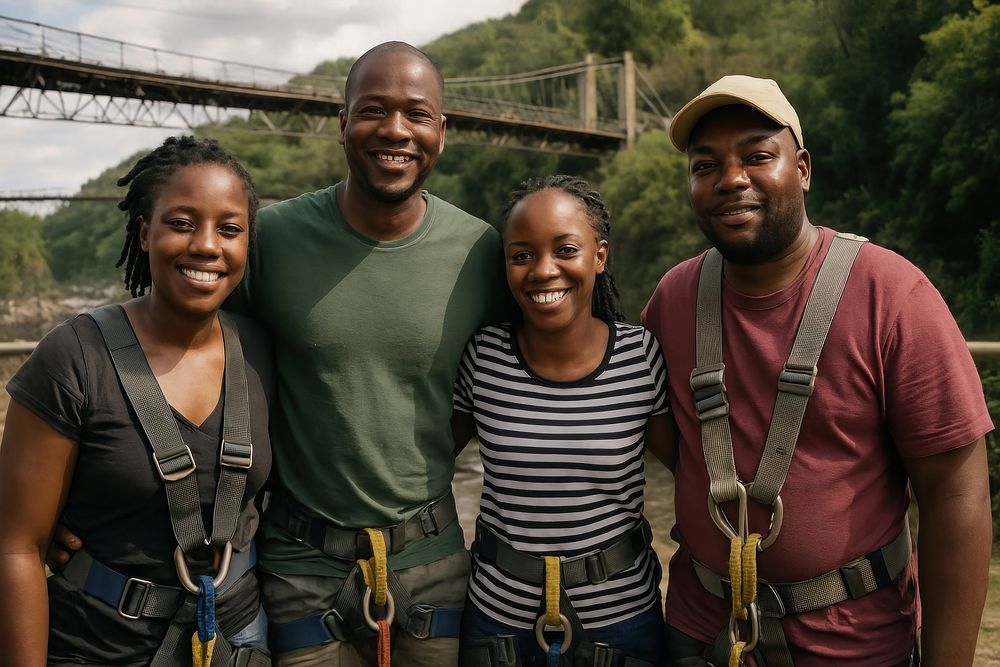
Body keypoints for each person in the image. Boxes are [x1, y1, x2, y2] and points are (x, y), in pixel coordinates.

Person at [642, 75, 993, 666]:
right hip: (699, 638)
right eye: (707, 166)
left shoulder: (891, 294)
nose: (731, 179)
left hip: (854, 646)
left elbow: (956, 495)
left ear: (802, 168)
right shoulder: (674, 299)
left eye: (757, 156)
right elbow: (668, 442)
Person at [222, 42, 504, 665]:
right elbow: (183, 357)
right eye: (373, 109)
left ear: (443, 131)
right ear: (342, 122)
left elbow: (526, 380)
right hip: (299, 568)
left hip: (433, 563)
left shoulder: (479, 251)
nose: (396, 130)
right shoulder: (271, 239)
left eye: (418, 114)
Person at [0, 135, 274, 665]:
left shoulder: (262, 351)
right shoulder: (74, 357)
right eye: (181, 222)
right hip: (96, 646)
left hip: (237, 641)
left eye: (230, 229)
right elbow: (16, 549)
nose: (207, 245)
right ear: (145, 232)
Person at [452, 175, 677, 667]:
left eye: (565, 249)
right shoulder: (484, 357)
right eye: (522, 254)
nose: (543, 270)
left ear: (599, 256)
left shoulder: (641, 358)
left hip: (622, 621)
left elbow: (690, 470)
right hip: (497, 619)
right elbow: (426, 464)